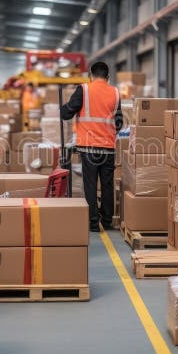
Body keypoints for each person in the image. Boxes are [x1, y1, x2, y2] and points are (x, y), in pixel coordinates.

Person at [61, 62, 123, 232]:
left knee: (90, 184)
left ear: (91, 75)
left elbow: (68, 112)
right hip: (108, 148)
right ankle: (108, 220)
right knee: (107, 184)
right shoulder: (115, 93)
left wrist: (63, 108)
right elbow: (119, 122)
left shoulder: (84, 89)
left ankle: (94, 223)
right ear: (108, 77)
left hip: (89, 148)